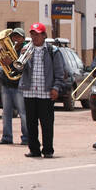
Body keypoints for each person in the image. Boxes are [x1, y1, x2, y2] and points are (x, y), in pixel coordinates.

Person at [19, 22, 68, 158]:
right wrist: (21, 57)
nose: (34, 37)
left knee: (46, 124)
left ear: (44, 35)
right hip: (29, 92)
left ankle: (47, 150)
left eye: (37, 34)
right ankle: (34, 149)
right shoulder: (27, 49)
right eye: (32, 34)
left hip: (45, 93)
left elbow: (59, 73)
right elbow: (19, 69)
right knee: (31, 123)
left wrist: (56, 88)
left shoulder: (53, 51)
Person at [0, 28, 28, 146]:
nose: (15, 39)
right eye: (13, 37)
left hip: (19, 86)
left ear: (23, 39)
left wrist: (10, 63)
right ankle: (7, 137)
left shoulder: (25, 51)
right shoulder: (8, 49)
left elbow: (22, 68)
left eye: (18, 37)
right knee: (6, 113)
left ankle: (26, 138)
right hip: (6, 84)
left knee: (23, 113)